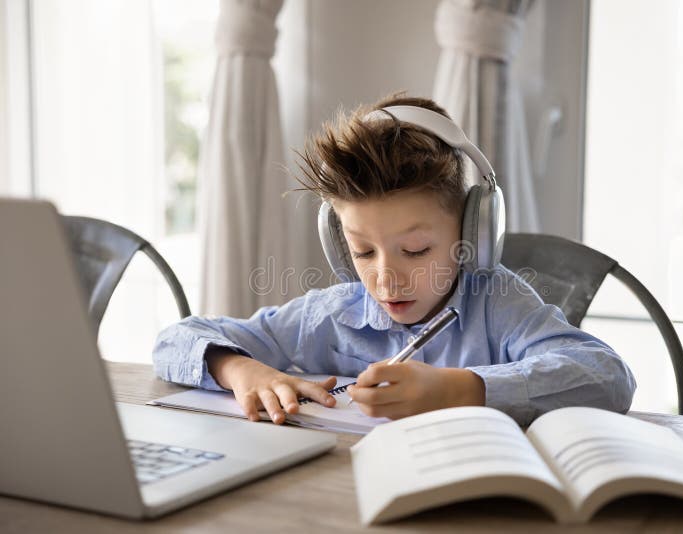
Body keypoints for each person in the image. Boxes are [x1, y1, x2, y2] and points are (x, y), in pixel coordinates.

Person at [152, 93, 636, 427]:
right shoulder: (334, 312)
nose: (385, 278)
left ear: (473, 232)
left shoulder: (498, 304)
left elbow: (607, 375)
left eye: (416, 250)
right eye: (363, 251)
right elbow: (175, 341)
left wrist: (460, 388)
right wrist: (240, 369)